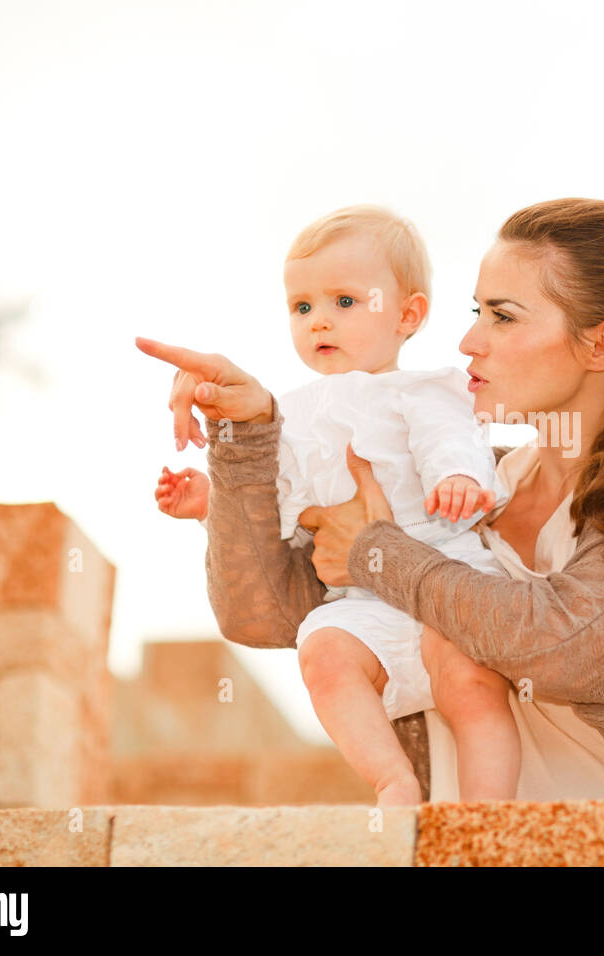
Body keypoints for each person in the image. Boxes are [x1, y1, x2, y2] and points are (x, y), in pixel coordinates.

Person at [138, 197, 604, 801]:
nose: (468, 341)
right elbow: (264, 613)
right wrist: (245, 431)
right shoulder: (471, 482)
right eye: (475, 312)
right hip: (457, 849)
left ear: (602, 343)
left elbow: (556, 642)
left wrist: (377, 552)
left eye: (502, 316)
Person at [145, 204, 523, 807]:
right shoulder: (292, 413)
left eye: (344, 302)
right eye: (302, 307)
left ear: (408, 314)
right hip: (363, 599)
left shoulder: (420, 390)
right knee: (322, 652)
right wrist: (210, 503)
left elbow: (450, 439)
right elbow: (274, 499)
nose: (320, 321)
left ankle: (483, 814)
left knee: (473, 686)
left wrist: (456, 476)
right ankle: (391, 779)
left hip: (446, 577)